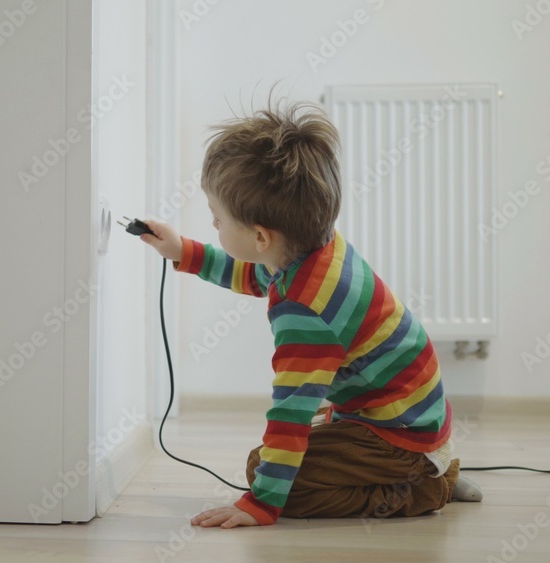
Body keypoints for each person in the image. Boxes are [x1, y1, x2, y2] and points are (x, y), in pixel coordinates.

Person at [139, 101, 482, 529]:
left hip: (398, 435)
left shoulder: (306, 311)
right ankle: (429, 462)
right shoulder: (316, 248)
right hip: (409, 413)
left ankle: (429, 485)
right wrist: (182, 252)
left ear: (261, 236)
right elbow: (256, 273)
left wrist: (261, 504)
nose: (213, 226)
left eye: (216, 219)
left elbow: (291, 412)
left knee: (263, 472)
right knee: (276, 467)